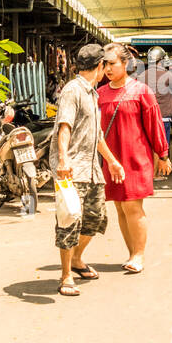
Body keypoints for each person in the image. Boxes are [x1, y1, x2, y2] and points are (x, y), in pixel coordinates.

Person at [52, 44, 126, 296]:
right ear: (100, 67)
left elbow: (96, 135)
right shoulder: (72, 91)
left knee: (95, 219)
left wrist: (112, 161)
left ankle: (77, 258)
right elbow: (65, 127)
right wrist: (63, 162)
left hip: (92, 168)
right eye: (106, 65)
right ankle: (65, 276)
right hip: (72, 170)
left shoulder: (92, 93)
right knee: (69, 221)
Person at [99, 42, 170, 275]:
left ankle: (139, 254)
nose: (108, 69)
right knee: (120, 207)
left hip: (136, 158)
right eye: (105, 64)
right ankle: (132, 254)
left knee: (132, 205)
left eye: (112, 63)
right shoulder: (99, 94)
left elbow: (154, 125)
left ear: (125, 63)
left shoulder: (141, 91)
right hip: (110, 160)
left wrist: (163, 154)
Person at [142, 46, 172, 178]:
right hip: (164, 115)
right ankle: (159, 172)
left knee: (148, 144)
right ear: (160, 61)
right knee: (162, 144)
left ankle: (151, 172)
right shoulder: (167, 75)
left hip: (147, 115)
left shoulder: (141, 76)